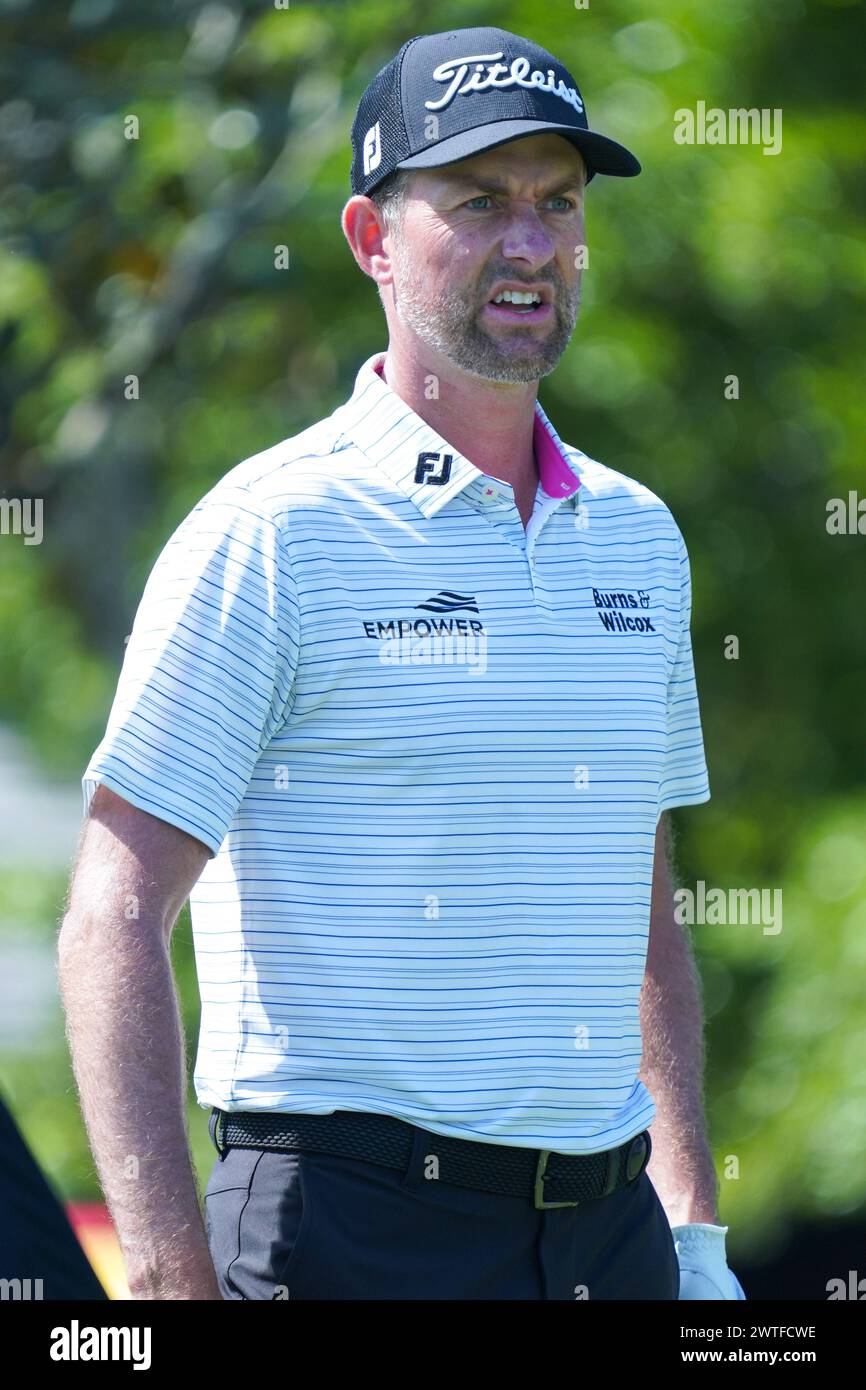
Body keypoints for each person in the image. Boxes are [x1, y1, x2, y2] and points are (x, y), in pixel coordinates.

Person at [59, 25, 745, 1300]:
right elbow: (113, 911)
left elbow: (636, 901)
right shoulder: (271, 529)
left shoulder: (638, 534)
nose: (531, 244)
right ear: (373, 241)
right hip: (351, 1232)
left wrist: (689, 1226)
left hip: (609, 1240)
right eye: (479, 202)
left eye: (557, 202)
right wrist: (164, 1286)